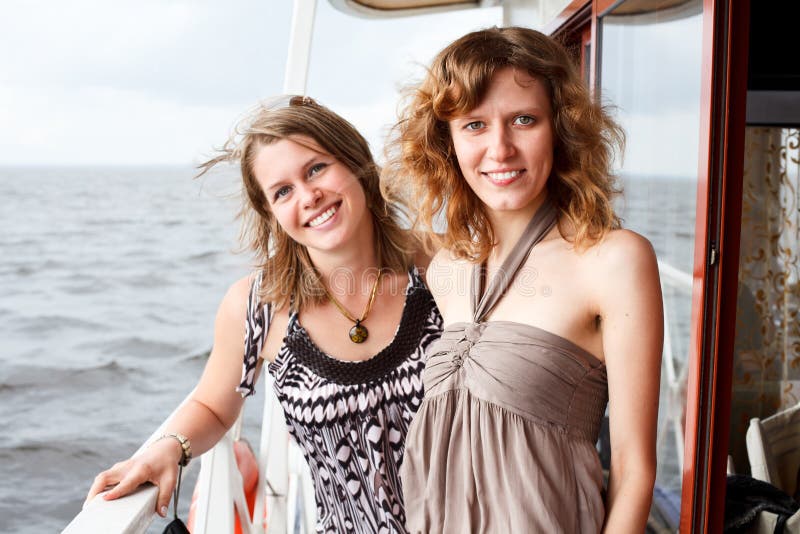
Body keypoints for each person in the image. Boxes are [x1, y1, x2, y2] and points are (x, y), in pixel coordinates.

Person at [85, 96, 442, 533]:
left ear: (356, 163)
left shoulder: (443, 264)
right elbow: (213, 406)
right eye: (283, 191)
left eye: (316, 169)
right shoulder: (258, 305)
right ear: (271, 213)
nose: (309, 197)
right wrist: (168, 447)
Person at [385, 27, 663, 533]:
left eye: (523, 120)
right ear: (447, 142)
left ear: (559, 127)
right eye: (474, 125)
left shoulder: (613, 260)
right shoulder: (448, 270)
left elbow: (635, 468)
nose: (500, 148)